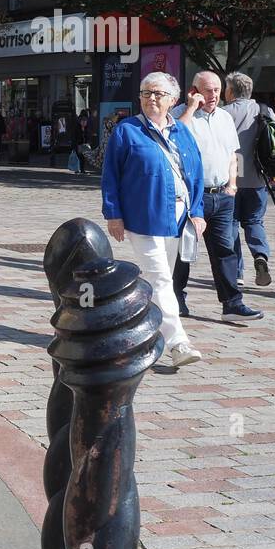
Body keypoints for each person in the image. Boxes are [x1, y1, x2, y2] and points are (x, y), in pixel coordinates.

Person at [101, 71, 206, 367]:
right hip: (142, 215)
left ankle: (140, 330)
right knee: (159, 277)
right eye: (146, 93)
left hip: (178, 216)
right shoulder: (127, 130)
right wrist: (114, 214)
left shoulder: (183, 132)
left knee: (162, 280)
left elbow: (195, 174)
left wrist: (197, 212)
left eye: (158, 94)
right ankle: (178, 343)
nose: (151, 99)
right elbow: (111, 175)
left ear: (173, 100)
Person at [173, 70, 262, 322]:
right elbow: (175, 137)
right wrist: (191, 108)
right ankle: (176, 298)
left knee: (226, 250)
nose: (213, 95)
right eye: (207, 90)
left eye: (216, 90)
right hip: (192, 196)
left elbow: (233, 155)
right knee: (183, 250)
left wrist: (232, 185)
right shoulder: (181, 114)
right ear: (194, 91)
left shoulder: (224, 117)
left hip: (222, 195)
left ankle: (232, 304)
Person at [224, 71, 275, 288]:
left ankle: (235, 272)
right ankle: (260, 255)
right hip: (257, 179)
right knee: (254, 222)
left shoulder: (221, 113)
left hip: (228, 181)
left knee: (229, 224)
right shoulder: (263, 110)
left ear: (230, 91)